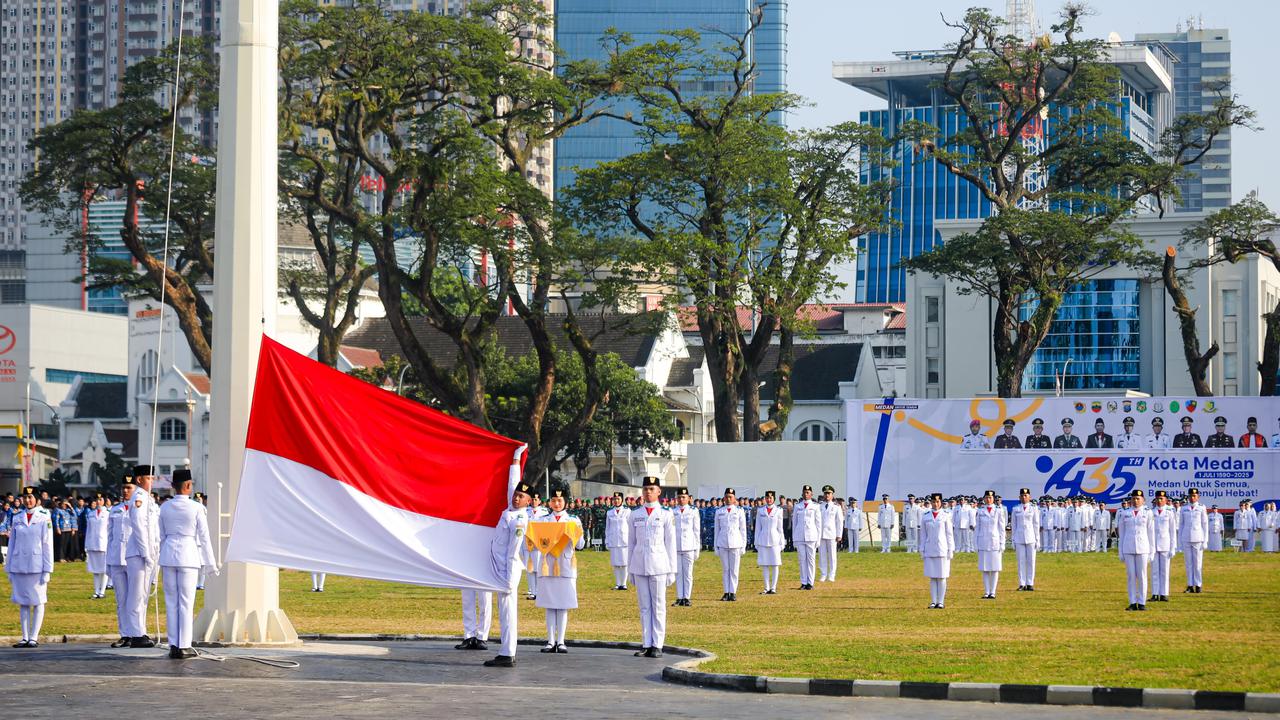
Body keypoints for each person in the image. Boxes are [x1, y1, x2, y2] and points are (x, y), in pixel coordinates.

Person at [158, 470, 217, 659]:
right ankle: (184, 645)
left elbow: (160, 536)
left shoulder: (165, 507)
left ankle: (174, 644)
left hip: (168, 555)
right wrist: (211, 564)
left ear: (173, 486)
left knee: (171, 602)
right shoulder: (196, 507)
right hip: (188, 555)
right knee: (186, 602)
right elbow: (205, 538)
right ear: (188, 485)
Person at [483, 481, 531, 668]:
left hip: (508, 570)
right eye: (516, 495)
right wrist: (515, 458)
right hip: (501, 568)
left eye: (521, 497)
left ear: (528, 501)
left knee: (508, 612)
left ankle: (508, 652)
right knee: (504, 612)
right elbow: (511, 483)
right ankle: (506, 651)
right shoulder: (510, 512)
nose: (516, 498)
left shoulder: (519, 518)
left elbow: (513, 550)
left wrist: (509, 579)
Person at [628, 476, 676, 659]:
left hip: (659, 564)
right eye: (646, 489)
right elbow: (631, 543)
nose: (648, 492)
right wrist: (630, 569)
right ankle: (646, 643)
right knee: (644, 607)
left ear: (659, 492)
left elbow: (671, 543)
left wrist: (672, 570)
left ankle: (658, 644)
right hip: (639, 564)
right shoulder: (635, 514)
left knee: (658, 605)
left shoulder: (666, 514)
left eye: (651, 489)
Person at [536, 489, 584, 654]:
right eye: (554, 500)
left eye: (560, 500)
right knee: (550, 605)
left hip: (566, 564)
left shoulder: (573, 520)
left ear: (566, 503)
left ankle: (561, 641)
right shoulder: (542, 521)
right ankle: (550, 641)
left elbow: (581, 545)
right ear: (549, 502)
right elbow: (536, 543)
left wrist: (574, 535)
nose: (557, 504)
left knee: (563, 605)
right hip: (547, 564)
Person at [7, 487, 53, 648]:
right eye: (26, 497)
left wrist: (48, 570)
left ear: (37, 500)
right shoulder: (17, 517)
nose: (28, 500)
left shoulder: (44, 518)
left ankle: (34, 637)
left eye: (31, 497)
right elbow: (12, 543)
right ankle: (25, 637)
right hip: (19, 565)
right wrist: (9, 568)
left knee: (38, 601)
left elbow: (48, 545)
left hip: (37, 566)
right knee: (23, 602)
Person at [125, 465, 160, 648]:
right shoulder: (139, 497)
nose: (151, 481)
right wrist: (146, 553)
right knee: (137, 594)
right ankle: (135, 633)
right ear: (139, 480)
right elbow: (138, 526)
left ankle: (140, 630)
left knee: (144, 594)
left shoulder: (148, 499)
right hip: (138, 552)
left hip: (147, 552)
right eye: (149, 478)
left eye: (152, 478)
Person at [1117, 489, 1154, 611]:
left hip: (1143, 548)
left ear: (1143, 500)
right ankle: (1132, 602)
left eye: (1138, 498)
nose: (1136, 501)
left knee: (1142, 576)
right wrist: (1120, 551)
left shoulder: (1148, 513)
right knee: (1131, 576)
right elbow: (1121, 533)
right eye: (1133, 498)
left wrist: (1152, 551)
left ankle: (1142, 602)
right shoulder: (1125, 513)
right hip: (1128, 547)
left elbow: (1151, 533)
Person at [920, 493, 954, 609]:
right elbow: (923, 535)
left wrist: (950, 549)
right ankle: (933, 601)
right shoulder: (925, 516)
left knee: (942, 576)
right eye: (934, 502)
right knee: (933, 577)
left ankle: (941, 601)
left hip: (942, 549)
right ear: (931, 502)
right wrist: (922, 549)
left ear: (941, 502)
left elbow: (949, 534)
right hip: (930, 549)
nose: (936, 504)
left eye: (938, 502)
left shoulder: (945, 515)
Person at [713, 488, 745, 601]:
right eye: (726, 496)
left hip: (736, 543)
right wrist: (715, 546)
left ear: (734, 498)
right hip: (722, 543)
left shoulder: (739, 511)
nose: (728, 498)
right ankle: (726, 592)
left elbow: (743, 529)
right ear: (724, 497)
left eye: (730, 496)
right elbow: (716, 530)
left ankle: (733, 592)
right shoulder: (719, 511)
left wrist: (743, 545)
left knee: (734, 570)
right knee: (726, 569)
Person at [671, 488, 700, 607]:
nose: (681, 499)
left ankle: (687, 597)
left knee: (688, 573)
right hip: (676, 546)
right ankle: (679, 597)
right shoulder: (672, 511)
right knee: (678, 573)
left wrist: (697, 548)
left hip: (689, 545)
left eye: (684, 497)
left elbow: (696, 530)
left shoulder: (693, 511)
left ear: (688, 498)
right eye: (679, 497)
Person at [791, 485, 822, 589]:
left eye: (808, 492)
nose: (806, 494)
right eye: (804, 492)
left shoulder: (816, 506)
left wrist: (818, 539)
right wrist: (794, 538)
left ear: (811, 494)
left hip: (811, 536)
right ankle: (803, 582)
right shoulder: (797, 506)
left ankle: (810, 582)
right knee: (802, 560)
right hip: (800, 536)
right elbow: (794, 523)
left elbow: (818, 524)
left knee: (811, 560)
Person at [974, 490, 1003, 599]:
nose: (988, 499)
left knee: (995, 568)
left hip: (995, 542)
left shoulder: (998, 511)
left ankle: (993, 591)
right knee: (985, 568)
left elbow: (1001, 528)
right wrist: (975, 543)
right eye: (986, 497)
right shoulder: (980, 511)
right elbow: (977, 528)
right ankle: (986, 591)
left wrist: (1002, 543)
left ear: (993, 499)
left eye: (990, 497)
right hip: (983, 541)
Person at [1179, 487, 1208, 593]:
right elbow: (1181, 525)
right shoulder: (1184, 508)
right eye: (1190, 496)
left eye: (1194, 496)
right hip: (1186, 538)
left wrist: (1205, 540)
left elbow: (1204, 524)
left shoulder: (1201, 507)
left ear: (1198, 497)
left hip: (1198, 538)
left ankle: (1198, 585)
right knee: (1188, 563)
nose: (1192, 498)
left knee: (1198, 563)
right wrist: (1180, 540)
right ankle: (1190, 585)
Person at [755, 491, 784, 594]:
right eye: (767, 497)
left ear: (774, 499)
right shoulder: (760, 510)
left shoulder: (778, 510)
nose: (769, 499)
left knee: (775, 564)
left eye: (771, 497)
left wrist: (782, 542)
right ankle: (766, 587)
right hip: (763, 539)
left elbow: (780, 528)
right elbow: (758, 527)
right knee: (765, 564)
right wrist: (756, 542)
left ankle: (773, 587)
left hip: (775, 540)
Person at [1149, 490, 1176, 603]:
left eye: (1162, 499)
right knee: (1154, 571)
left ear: (1165, 500)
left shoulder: (1169, 512)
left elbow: (1172, 530)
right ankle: (1155, 593)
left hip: (1165, 544)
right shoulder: (1151, 512)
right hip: (1154, 545)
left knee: (1164, 570)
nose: (1159, 501)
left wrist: (1173, 547)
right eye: (1158, 499)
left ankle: (1164, 593)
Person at [1010, 488, 1039, 591]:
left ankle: (1030, 583)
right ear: (1019, 497)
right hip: (1019, 537)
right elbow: (1014, 525)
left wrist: (1037, 539)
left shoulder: (1034, 509)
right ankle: (1022, 583)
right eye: (1022, 495)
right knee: (1021, 561)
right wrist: (1013, 539)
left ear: (1029, 497)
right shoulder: (1015, 509)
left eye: (1026, 495)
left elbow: (1036, 524)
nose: (1024, 497)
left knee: (1031, 561)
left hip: (1031, 537)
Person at [84, 494, 110, 599]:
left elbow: (110, 531)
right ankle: (96, 590)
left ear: (104, 501)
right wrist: (86, 545)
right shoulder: (91, 514)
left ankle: (102, 591)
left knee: (104, 569)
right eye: (97, 500)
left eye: (100, 499)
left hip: (104, 544)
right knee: (94, 569)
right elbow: (88, 530)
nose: (98, 502)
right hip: (92, 543)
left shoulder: (108, 514)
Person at [604, 492, 631, 591]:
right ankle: (617, 583)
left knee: (624, 563)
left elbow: (630, 526)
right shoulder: (609, 512)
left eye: (618, 499)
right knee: (615, 563)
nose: (616, 501)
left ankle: (623, 584)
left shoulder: (627, 511)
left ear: (622, 500)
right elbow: (607, 527)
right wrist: (607, 541)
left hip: (624, 540)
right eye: (614, 499)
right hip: (614, 540)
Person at [817, 485, 844, 581]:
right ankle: (823, 574)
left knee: (832, 555)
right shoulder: (819, 506)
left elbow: (839, 521)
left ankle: (832, 574)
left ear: (832, 495)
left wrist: (839, 535)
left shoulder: (836, 507)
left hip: (832, 534)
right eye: (825, 493)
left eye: (829, 493)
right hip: (821, 534)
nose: (827, 495)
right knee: (822, 555)